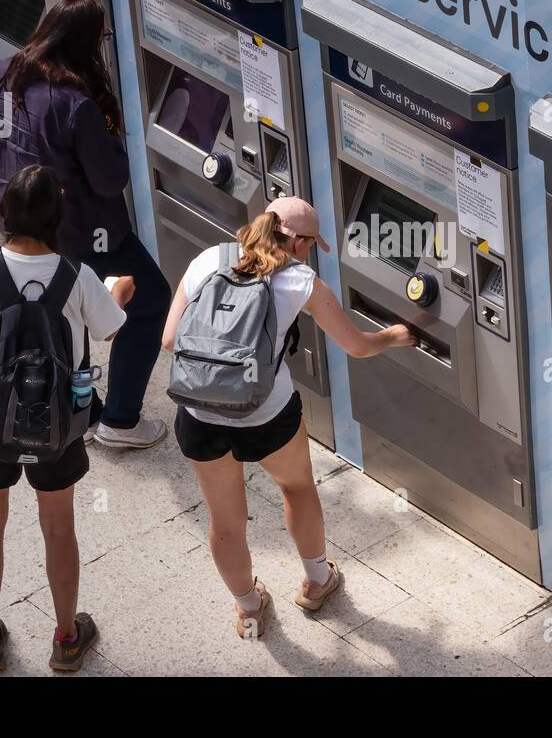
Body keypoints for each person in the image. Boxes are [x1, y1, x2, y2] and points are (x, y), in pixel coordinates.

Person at [162, 197, 416, 637]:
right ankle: (318, 582)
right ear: (297, 241)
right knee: (297, 488)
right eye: (311, 244)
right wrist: (393, 335)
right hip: (266, 414)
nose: (309, 253)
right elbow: (356, 346)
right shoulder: (301, 282)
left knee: (226, 522)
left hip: (200, 415)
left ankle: (248, 608)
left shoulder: (208, 260)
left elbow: (169, 340)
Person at [0, 165, 135, 673]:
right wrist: (118, 293)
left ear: (3, 215)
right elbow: (111, 329)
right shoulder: (77, 276)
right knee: (59, 528)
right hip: (59, 427)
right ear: (57, 218)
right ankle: (67, 638)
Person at [0, 0, 171, 450]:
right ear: (86, 43)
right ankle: (121, 421)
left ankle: (81, 411)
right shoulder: (74, 104)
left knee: (63, 314)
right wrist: (114, 140)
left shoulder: (3, 73)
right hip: (86, 232)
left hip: (20, 216)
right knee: (149, 301)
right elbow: (109, 181)